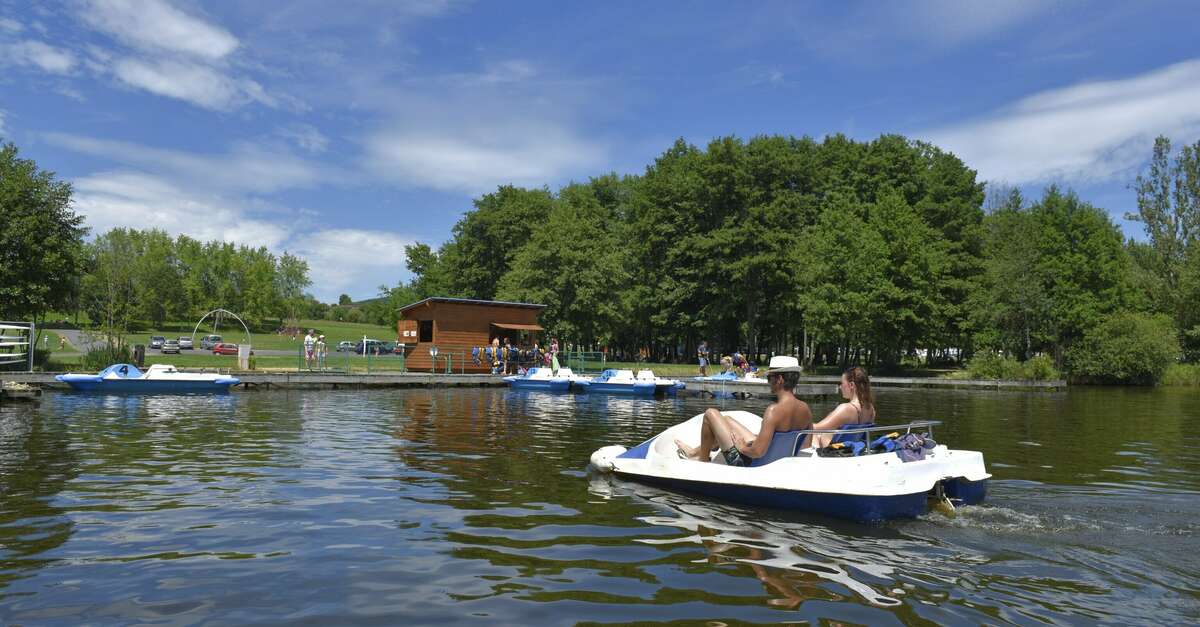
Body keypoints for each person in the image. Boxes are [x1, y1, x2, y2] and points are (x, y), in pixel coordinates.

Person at [675, 356, 812, 466]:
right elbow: (806, 445)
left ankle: (702, 461)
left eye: (769, 377)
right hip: (774, 462)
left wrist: (742, 447)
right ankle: (694, 452)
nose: (768, 381)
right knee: (726, 421)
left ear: (779, 379)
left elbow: (757, 452)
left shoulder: (774, 411)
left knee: (711, 413)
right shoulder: (805, 409)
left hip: (748, 463)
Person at [809, 366, 877, 449]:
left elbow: (817, 428)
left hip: (836, 452)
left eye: (842, 383)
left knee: (813, 433)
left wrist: (798, 423)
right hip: (851, 450)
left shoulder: (846, 409)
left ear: (851, 385)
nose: (840, 387)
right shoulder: (871, 409)